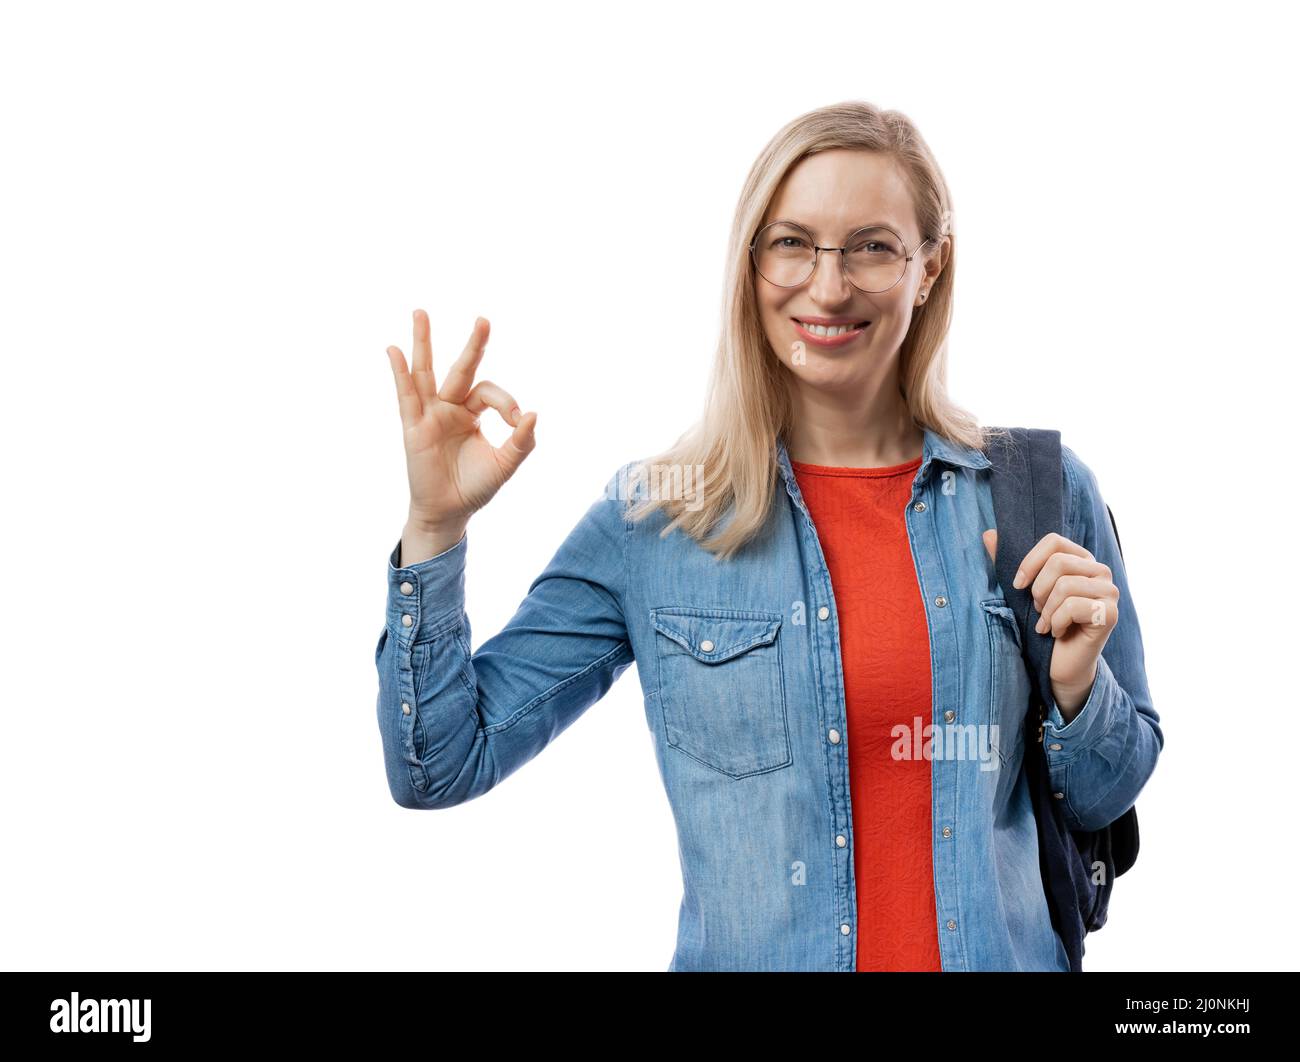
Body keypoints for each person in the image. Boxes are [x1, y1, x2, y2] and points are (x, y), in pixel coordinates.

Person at [374, 100, 1163, 972]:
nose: (828, 287)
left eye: (872, 246)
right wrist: (435, 529)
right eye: (792, 243)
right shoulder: (656, 518)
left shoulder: (1036, 493)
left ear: (929, 268)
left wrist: (1080, 686)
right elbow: (440, 764)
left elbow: (1105, 797)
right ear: (749, 267)